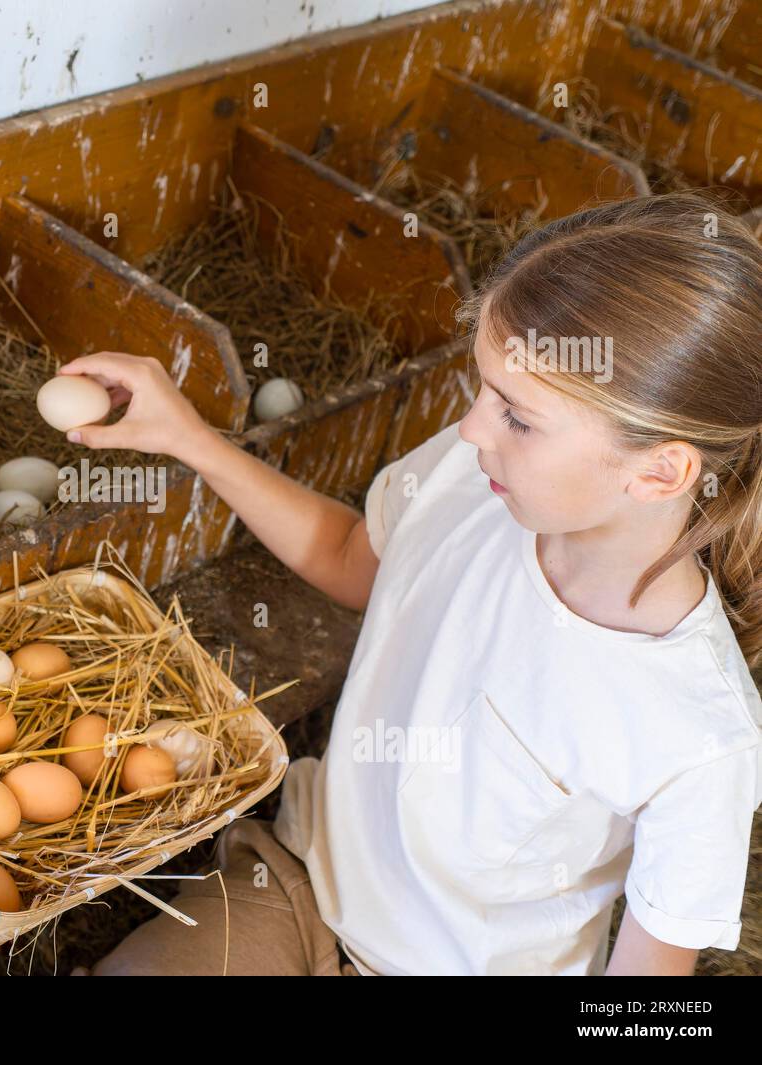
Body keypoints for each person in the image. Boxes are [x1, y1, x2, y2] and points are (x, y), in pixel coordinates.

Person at [62, 191, 762, 976]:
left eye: (517, 416)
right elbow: (348, 553)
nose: (471, 428)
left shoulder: (701, 736)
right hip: (298, 887)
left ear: (661, 470)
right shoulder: (476, 475)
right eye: (485, 389)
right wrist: (191, 439)